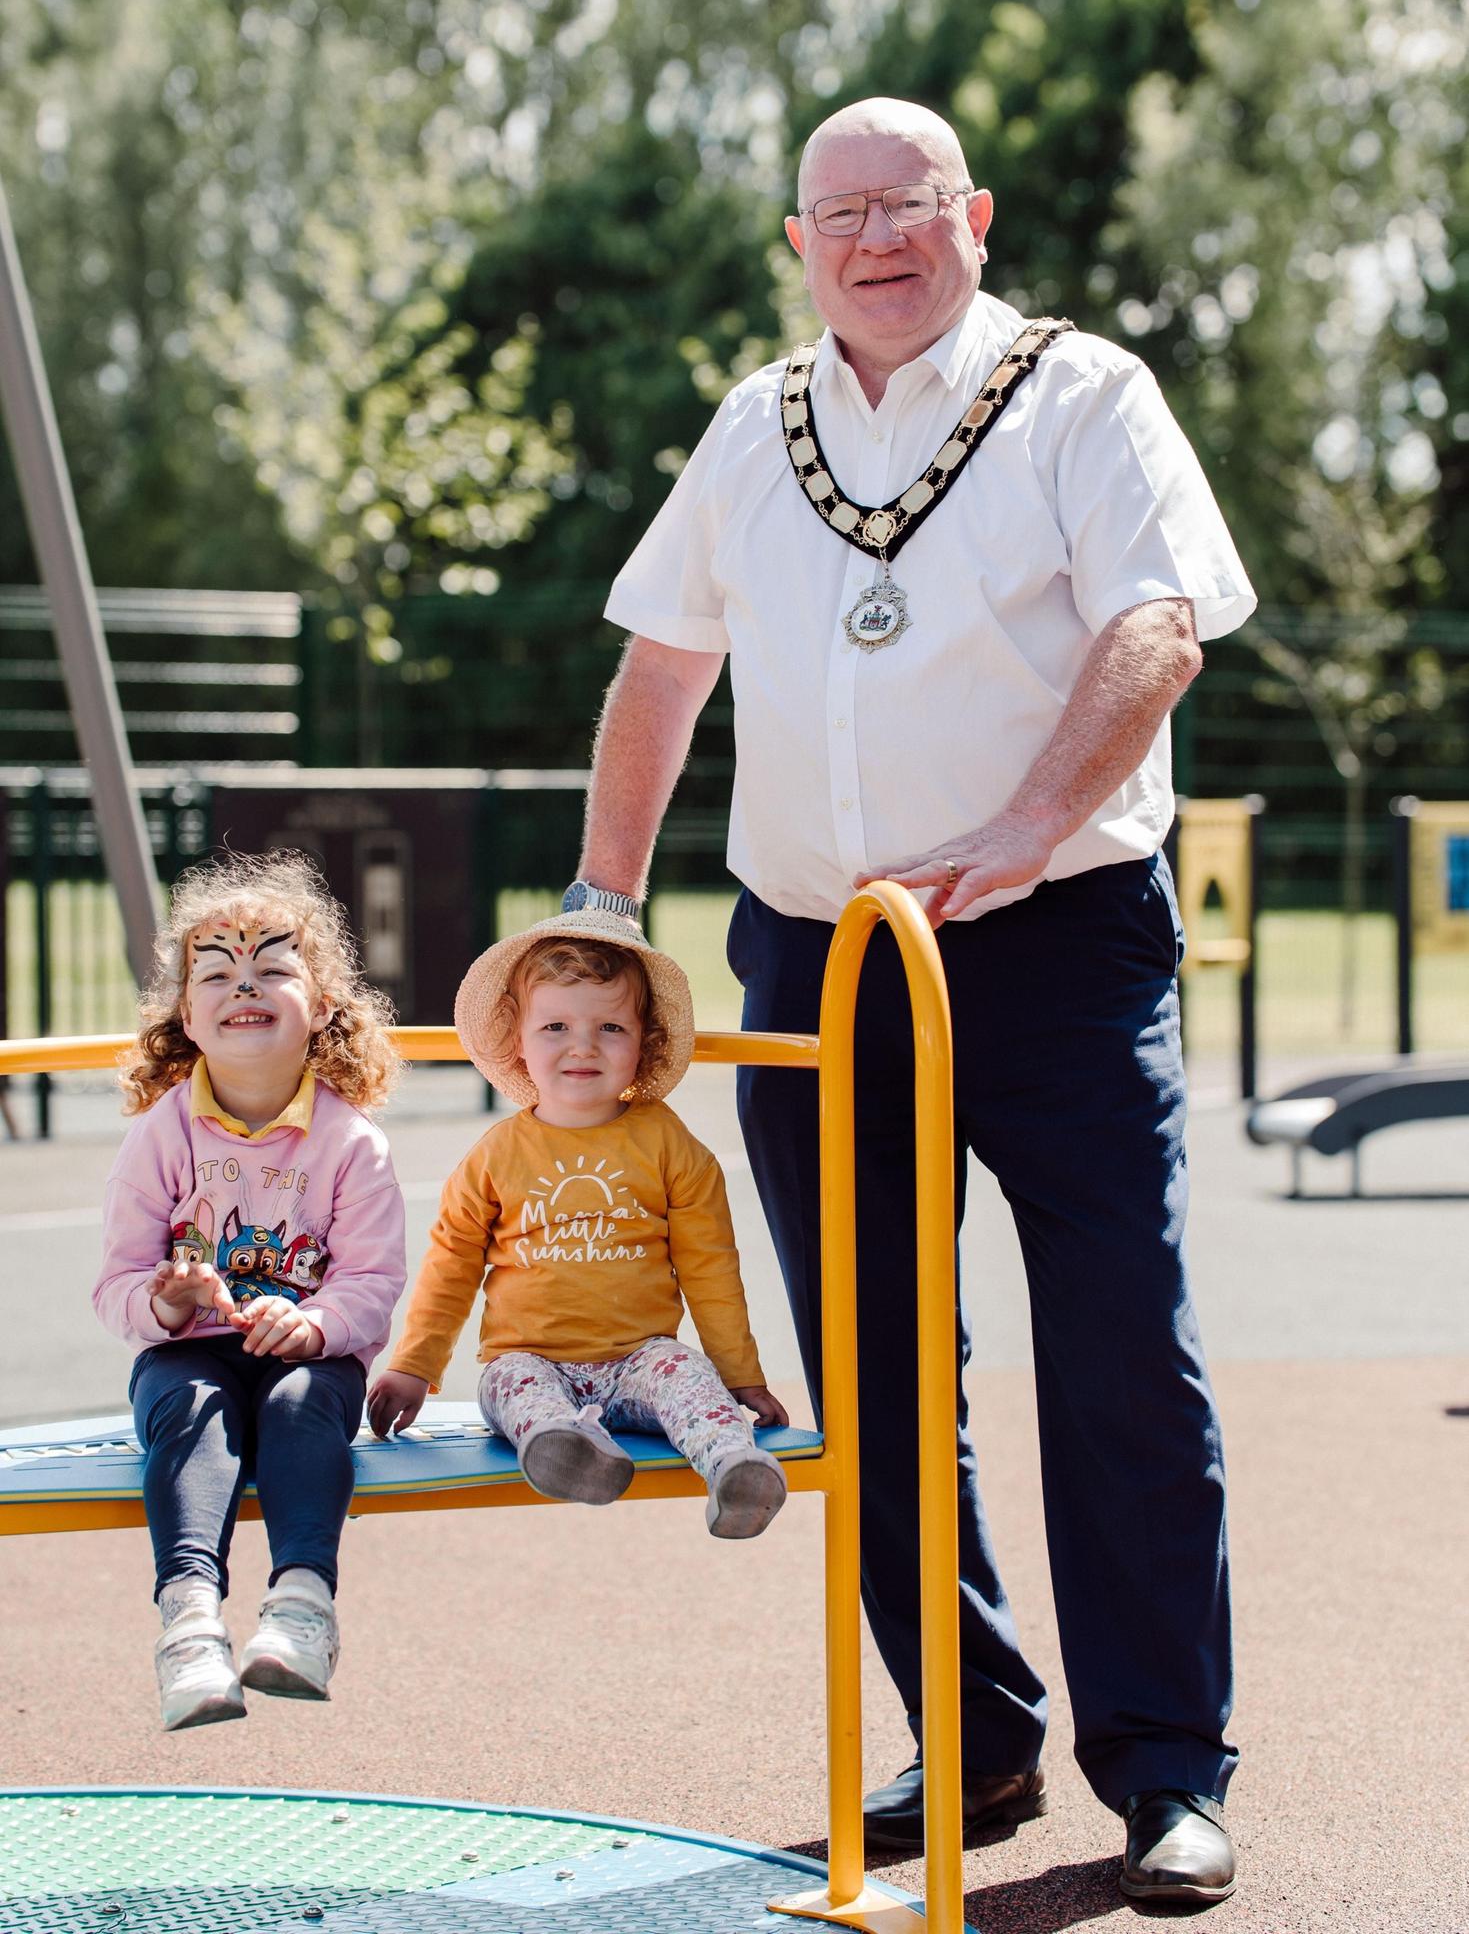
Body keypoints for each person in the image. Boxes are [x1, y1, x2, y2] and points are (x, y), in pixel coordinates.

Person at [563, 97, 1254, 1905]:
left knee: (1120, 1350)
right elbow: (660, 669)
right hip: (816, 961)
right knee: (873, 1379)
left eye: (905, 203)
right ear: (795, 243)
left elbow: (1157, 624)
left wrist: (1025, 825)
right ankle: (973, 1738)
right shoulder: (749, 423)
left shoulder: (1080, 394)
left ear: (974, 215)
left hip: (1054, 941)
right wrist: (595, 906)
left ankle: (1165, 1770)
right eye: (835, 212)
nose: (873, 237)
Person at [93, 852, 407, 1731]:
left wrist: (311, 1325)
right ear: (186, 1016)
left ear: (325, 1007)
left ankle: (302, 1607)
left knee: (307, 1404)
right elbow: (114, 1284)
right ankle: (190, 1622)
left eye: (274, 966)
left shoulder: (351, 1144)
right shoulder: (161, 1137)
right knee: (190, 1408)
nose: (246, 985)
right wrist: (166, 1303)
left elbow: (373, 1284)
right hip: (189, 1352)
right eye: (219, 973)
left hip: (308, 1355)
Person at [367, 909, 790, 1538]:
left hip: (639, 1359)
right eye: (556, 1025)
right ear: (518, 1042)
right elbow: (451, 1265)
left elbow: (710, 1266)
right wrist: (414, 1363)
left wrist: (740, 1376)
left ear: (644, 1042)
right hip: (531, 1357)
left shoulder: (668, 1142)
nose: (582, 1045)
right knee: (509, 1385)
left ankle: (733, 1465)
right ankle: (565, 1448)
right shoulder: (497, 1155)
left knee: (687, 1373)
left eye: (611, 1026)